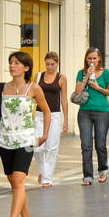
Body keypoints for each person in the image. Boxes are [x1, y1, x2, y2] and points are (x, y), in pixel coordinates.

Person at [0, 52, 51, 217]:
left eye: (17, 63)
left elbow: (46, 111)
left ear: (26, 67)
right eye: (11, 63)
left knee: (19, 180)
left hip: (26, 140)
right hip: (5, 140)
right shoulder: (2, 88)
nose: (12, 66)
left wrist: (44, 134)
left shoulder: (34, 89)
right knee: (14, 183)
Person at [73, 47, 109, 185]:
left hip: (102, 112)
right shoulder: (81, 73)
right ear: (86, 59)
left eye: (94, 58)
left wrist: (98, 88)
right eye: (89, 58)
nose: (92, 61)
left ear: (99, 59)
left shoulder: (106, 73)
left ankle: (103, 169)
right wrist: (86, 77)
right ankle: (88, 176)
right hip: (85, 111)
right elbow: (78, 92)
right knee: (86, 145)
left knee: (100, 144)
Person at [33, 52, 69, 189]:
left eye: (52, 64)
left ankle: (47, 178)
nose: (50, 67)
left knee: (51, 148)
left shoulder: (61, 78)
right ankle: (43, 171)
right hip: (39, 115)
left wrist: (65, 120)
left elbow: (64, 99)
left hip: (54, 116)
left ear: (57, 63)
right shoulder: (38, 76)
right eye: (47, 64)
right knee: (37, 147)